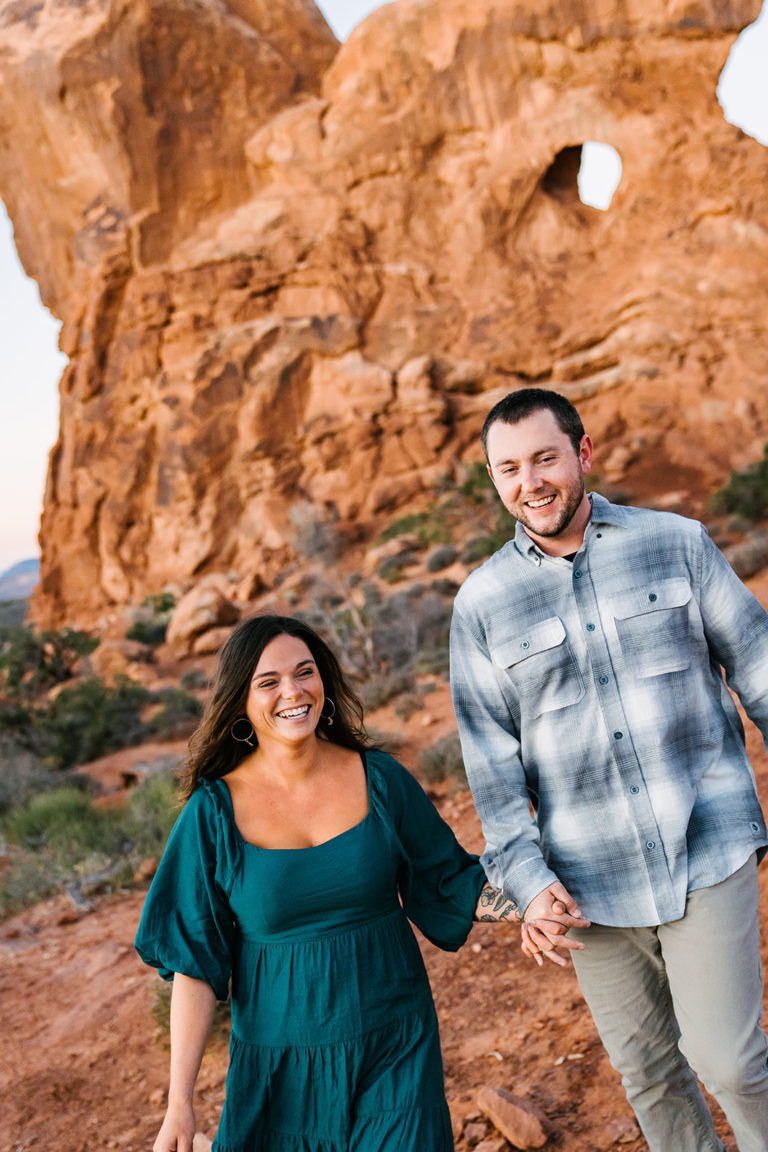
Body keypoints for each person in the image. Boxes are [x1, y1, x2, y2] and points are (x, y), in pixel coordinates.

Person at [449, 387, 768, 1152]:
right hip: (586, 884)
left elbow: (758, 666)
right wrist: (526, 883)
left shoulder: (677, 542)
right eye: (508, 469)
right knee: (649, 1072)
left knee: (728, 1062)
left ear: (582, 454)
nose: (530, 483)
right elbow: (494, 771)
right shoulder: (483, 604)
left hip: (704, 844)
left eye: (544, 458)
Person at [136, 613, 518, 1152]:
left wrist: (531, 902)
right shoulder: (212, 816)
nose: (292, 691)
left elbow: (448, 879)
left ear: (324, 681)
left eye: (305, 672)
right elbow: (193, 963)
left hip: (396, 1046)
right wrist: (180, 1104)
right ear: (240, 702)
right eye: (268, 682)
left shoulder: (379, 779)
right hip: (278, 1067)